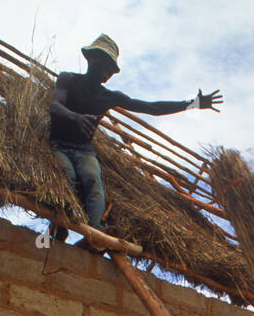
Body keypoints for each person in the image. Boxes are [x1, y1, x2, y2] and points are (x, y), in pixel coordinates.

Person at [47, 33, 223, 246]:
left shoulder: (108, 97)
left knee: (93, 182)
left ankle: (95, 235)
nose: (106, 72)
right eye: (104, 65)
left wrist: (193, 103)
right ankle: (60, 226)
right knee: (67, 176)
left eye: (111, 70)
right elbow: (55, 106)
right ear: (91, 59)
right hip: (60, 144)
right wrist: (75, 117)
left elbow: (152, 108)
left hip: (84, 150)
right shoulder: (68, 79)